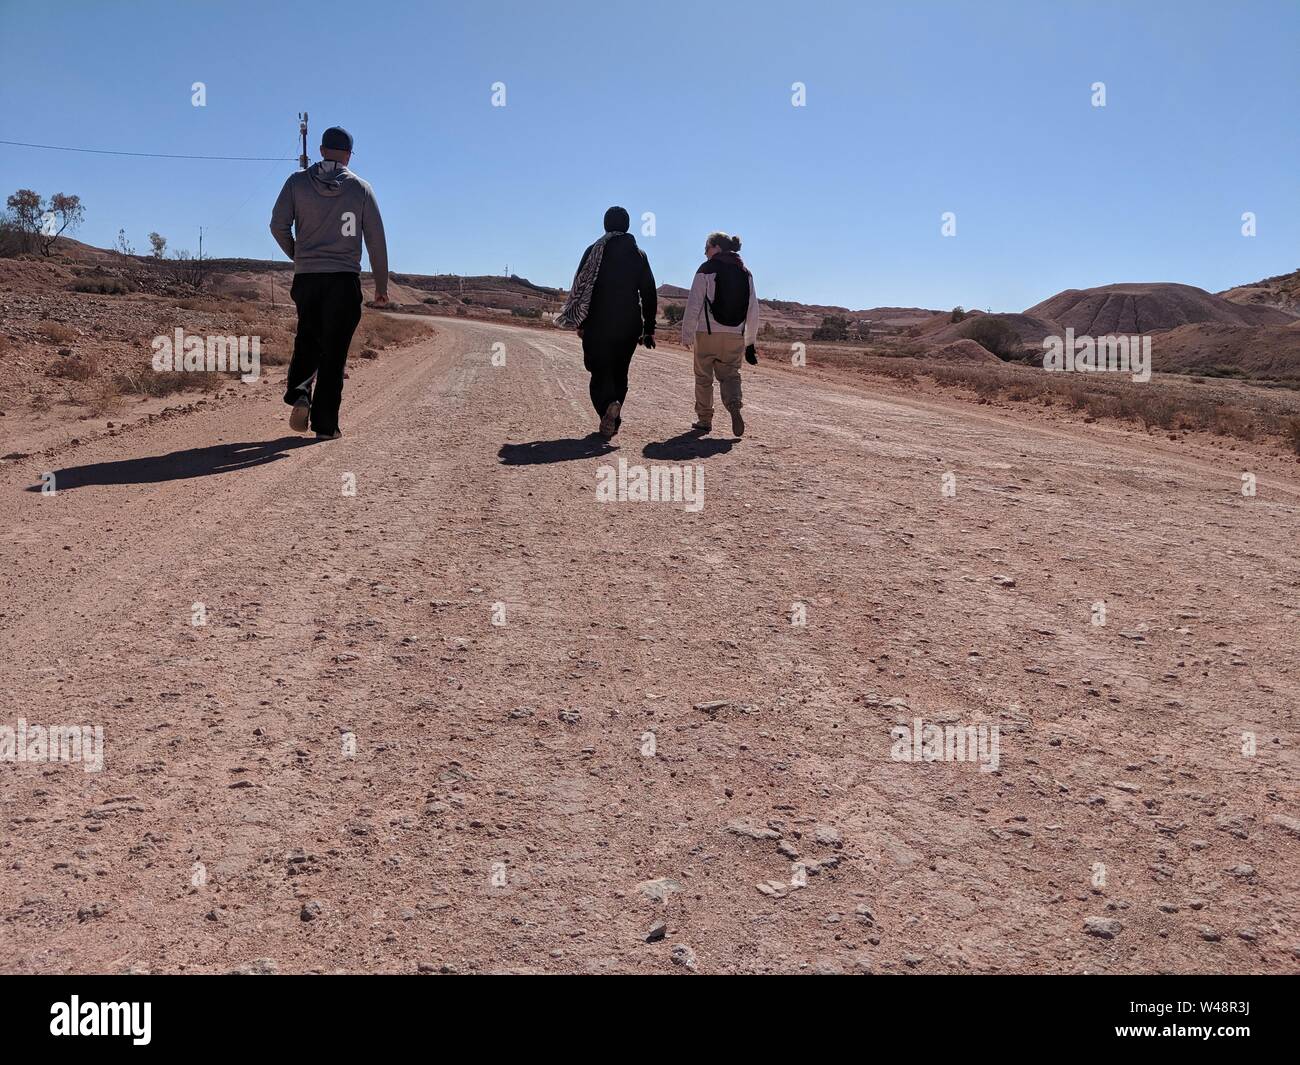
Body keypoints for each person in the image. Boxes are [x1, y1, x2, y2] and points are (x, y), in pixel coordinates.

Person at [269, 126, 388, 440]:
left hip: (307, 278)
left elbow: (277, 225)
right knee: (334, 352)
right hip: (343, 279)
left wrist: (298, 255)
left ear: (321, 150)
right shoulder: (360, 189)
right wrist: (381, 285)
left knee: (308, 336)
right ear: (349, 154)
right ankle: (325, 425)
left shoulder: (296, 183)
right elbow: (375, 240)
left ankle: (299, 393)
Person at [555, 206, 657, 440]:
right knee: (620, 372)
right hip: (629, 324)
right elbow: (649, 293)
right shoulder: (638, 254)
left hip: (597, 323)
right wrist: (648, 328)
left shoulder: (594, 251)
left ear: (605, 225)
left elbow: (579, 287)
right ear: (628, 226)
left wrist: (578, 320)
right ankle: (614, 414)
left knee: (599, 370)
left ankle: (609, 406)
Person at [680, 231, 759, 437]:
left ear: (716, 247)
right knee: (730, 374)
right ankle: (733, 403)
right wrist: (750, 342)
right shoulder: (745, 272)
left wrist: (687, 334)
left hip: (706, 334)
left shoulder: (707, 269)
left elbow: (694, 304)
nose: (705, 253)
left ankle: (704, 419)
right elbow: (753, 309)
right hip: (735, 335)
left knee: (704, 377)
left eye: (707, 248)